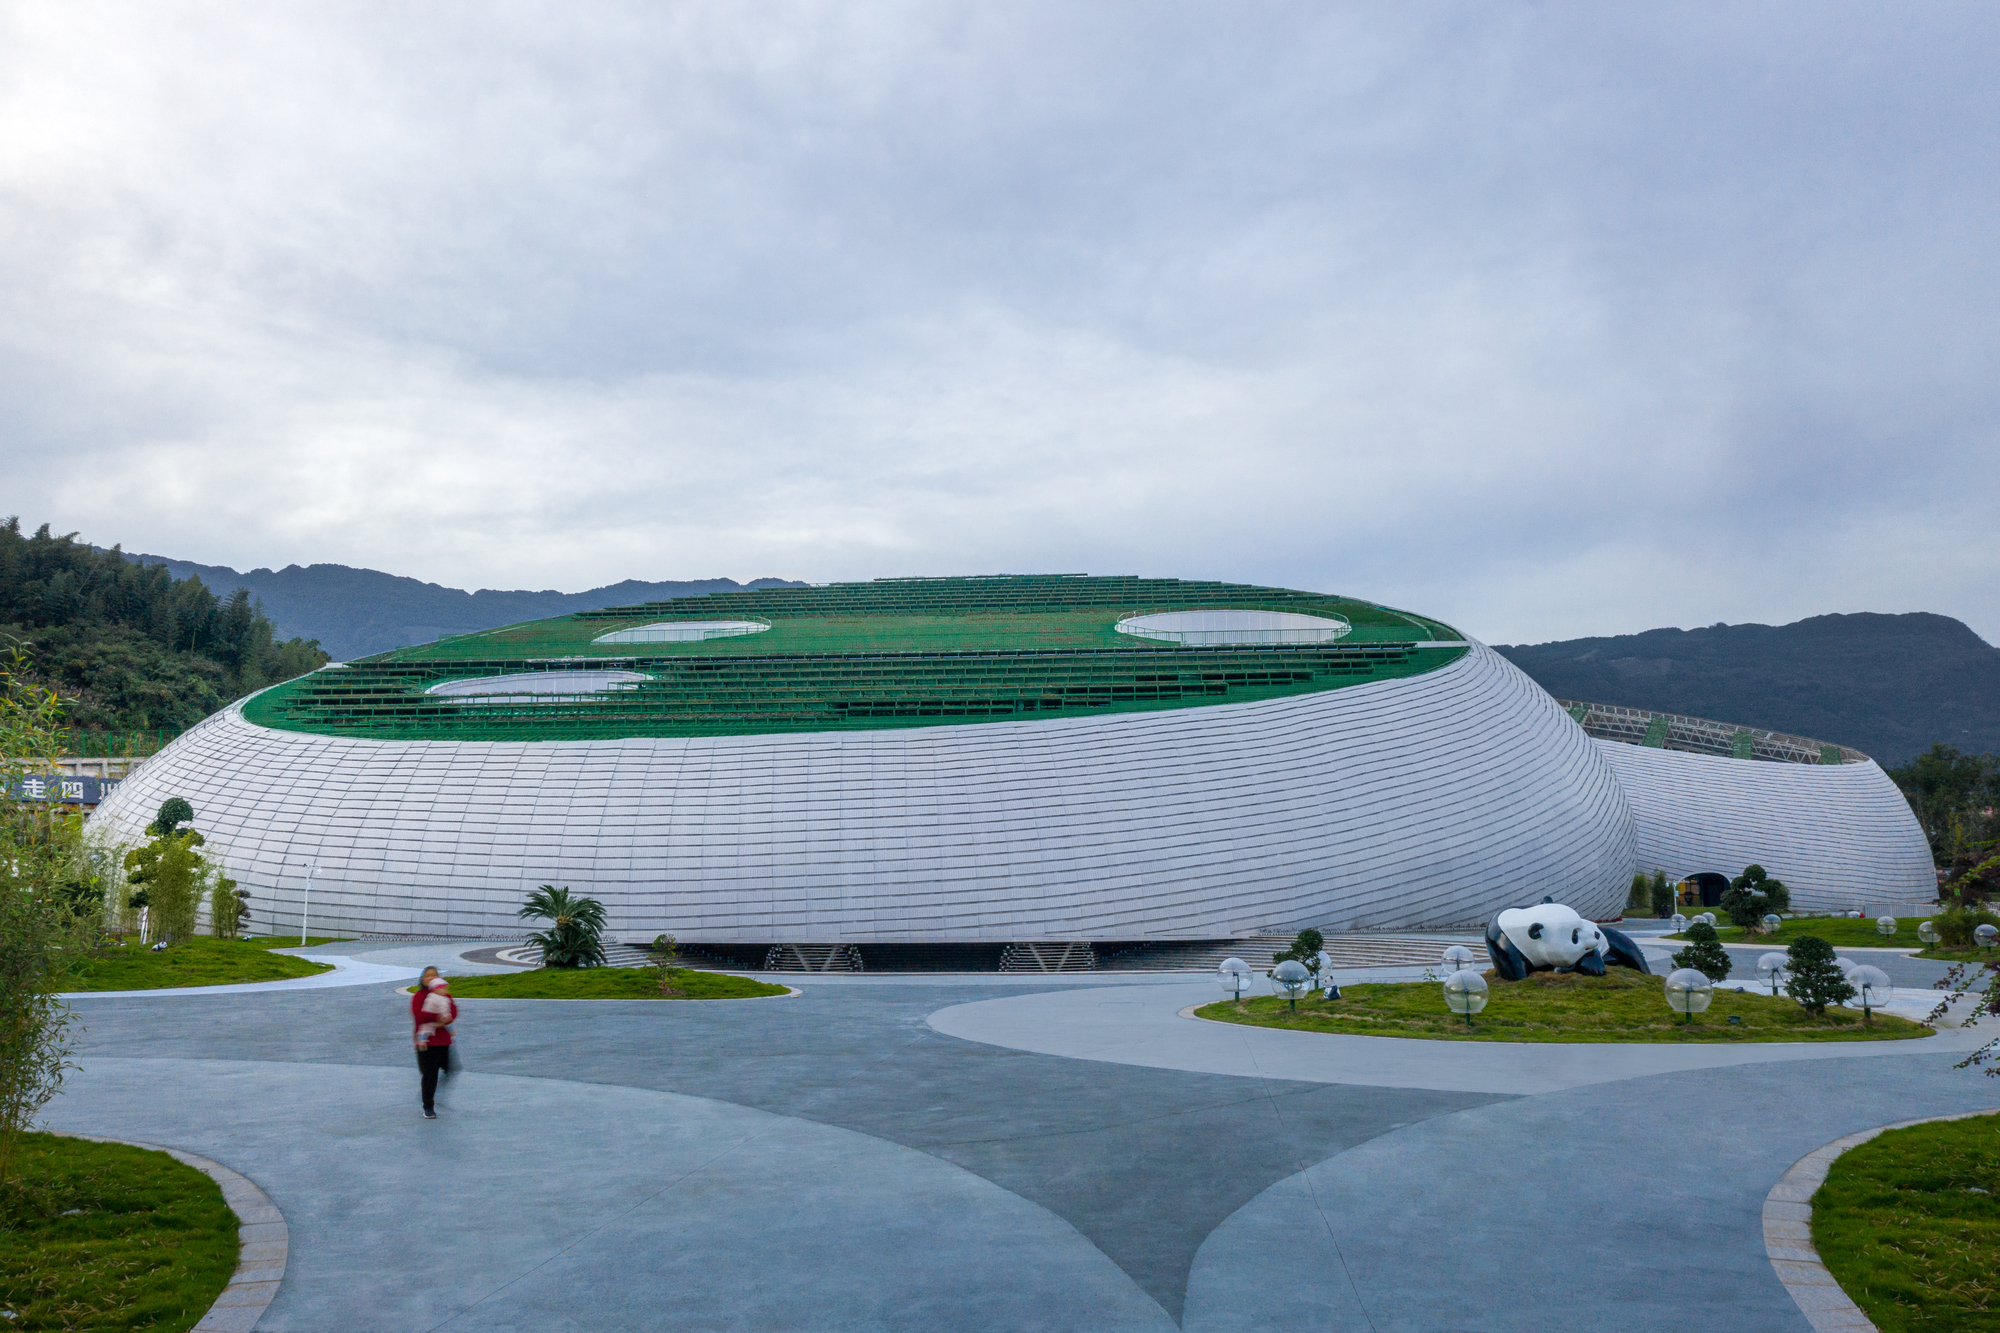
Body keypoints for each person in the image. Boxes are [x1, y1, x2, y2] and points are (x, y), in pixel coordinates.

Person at [411, 967, 456, 1119]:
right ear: (422, 979)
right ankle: (428, 1106)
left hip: (443, 1040)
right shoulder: (419, 996)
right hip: (426, 1042)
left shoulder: (444, 994)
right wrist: (439, 1018)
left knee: (450, 1068)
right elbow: (420, 1017)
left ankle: (429, 1091)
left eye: (434, 975)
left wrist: (446, 1018)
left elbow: (453, 1012)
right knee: (430, 1075)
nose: (431, 978)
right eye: (427, 975)